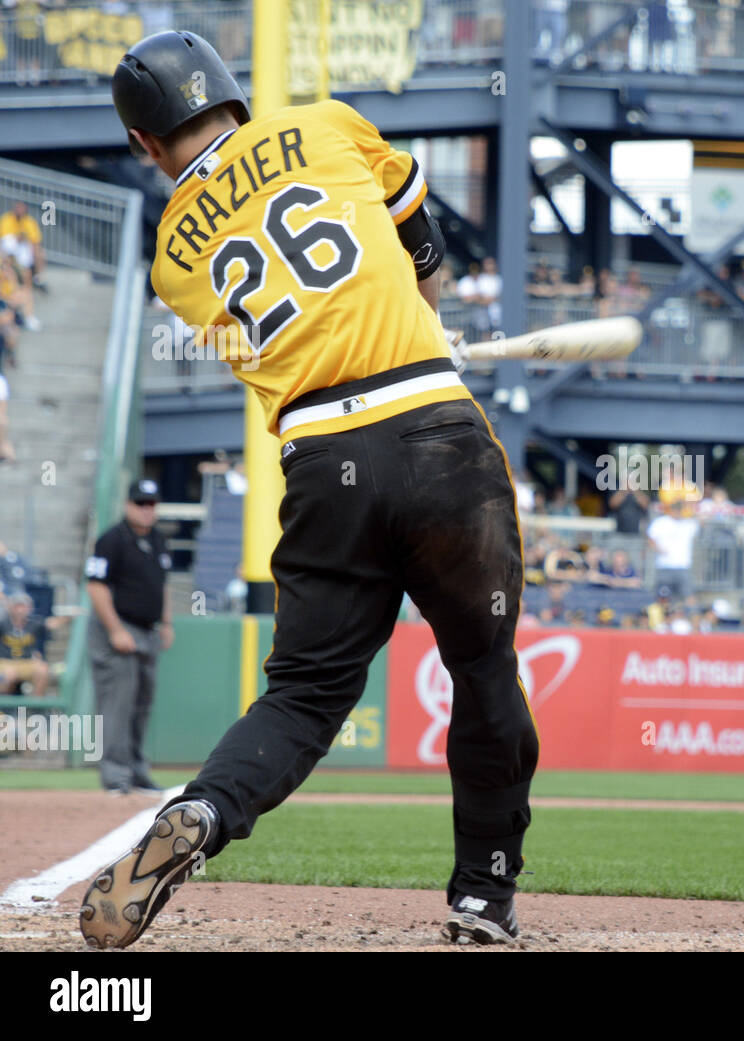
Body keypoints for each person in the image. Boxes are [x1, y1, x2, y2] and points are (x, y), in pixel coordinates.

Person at [81, 31, 536, 950]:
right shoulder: (327, 124)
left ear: (145, 144)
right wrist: (424, 319)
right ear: (231, 94)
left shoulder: (173, 255)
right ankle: (483, 896)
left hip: (325, 464)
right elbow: (420, 236)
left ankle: (203, 814)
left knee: (301, 697)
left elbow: (276, 356)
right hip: (438, 433)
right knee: (482, 669)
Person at [84, 479, 173, 795]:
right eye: (140, 503)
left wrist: (166, 622)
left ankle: (136, 771)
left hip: (148, 630)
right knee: (118, 702)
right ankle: (115, 775)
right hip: (119, 626)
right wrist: (116, 630)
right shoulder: (111, 539)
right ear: (127, 505)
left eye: (151, 504)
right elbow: (96, 586)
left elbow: (162, 585)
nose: (147, 510)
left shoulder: (159, 541)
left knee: (141, 703)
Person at [0, 592, 53, 696]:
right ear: (10, 608)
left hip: (26, 662)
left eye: (23, 606)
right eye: (17, 606)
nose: (20, 610)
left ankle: (35, 707)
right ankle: (5, 708)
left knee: (42, 670)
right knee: (9, 675)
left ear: (29, 608)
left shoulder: (34, 623)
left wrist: (69, 617)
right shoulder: (3, 623)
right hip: (5, 662)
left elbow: (50, 623)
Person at [646, 499, 698, 600]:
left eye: (680, 510)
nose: (678, 512)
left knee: (688, 596)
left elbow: (701, 521)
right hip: (664, 565)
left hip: (683, 566)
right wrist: (659, 549)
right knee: (662, 596)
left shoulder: (688, 523)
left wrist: (691, 507)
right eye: (676, 509)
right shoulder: (661, 522)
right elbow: (650, 538)